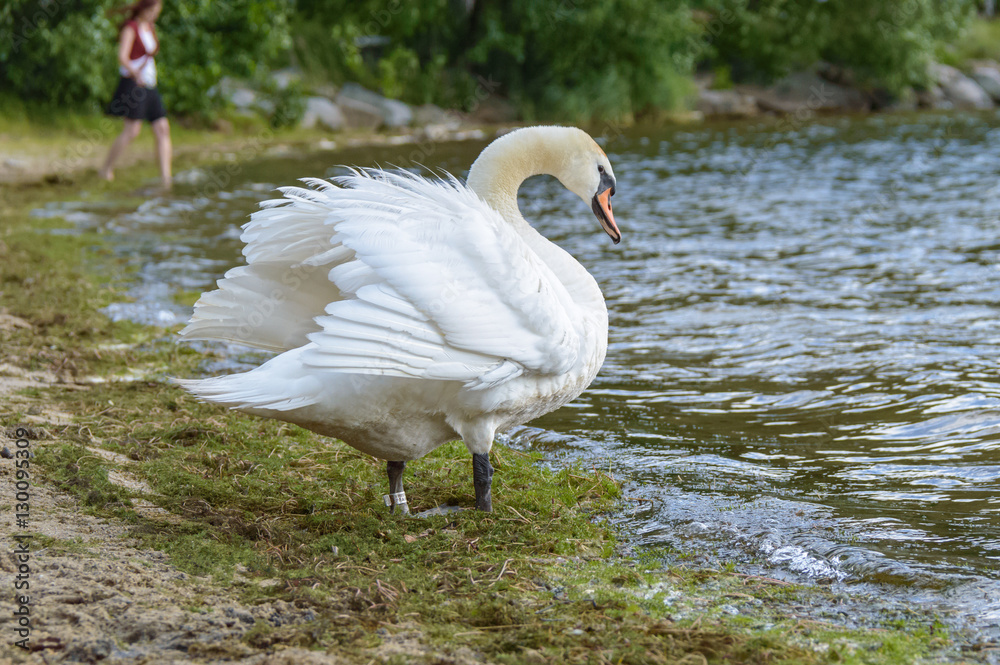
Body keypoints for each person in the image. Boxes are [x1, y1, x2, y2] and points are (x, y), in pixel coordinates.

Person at [100, 0, 171, 190]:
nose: (156, 14)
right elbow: (122, 57)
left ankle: (166, 178)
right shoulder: (131, 28)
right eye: (155, 10)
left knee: (162, 128)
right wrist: (135, 72)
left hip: (150, 85)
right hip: (134, 84)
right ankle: (106, 169)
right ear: (146, 8)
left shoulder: (150, 27)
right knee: (132, 130)